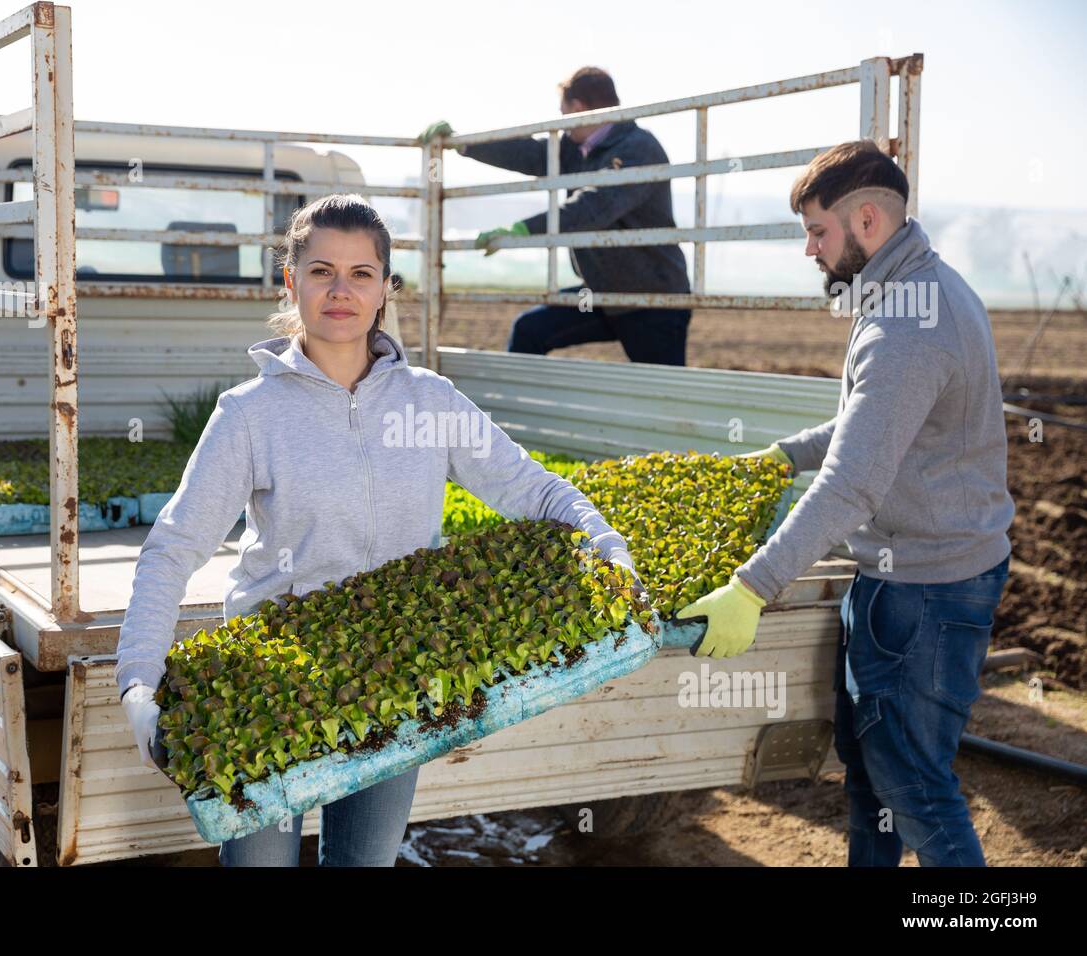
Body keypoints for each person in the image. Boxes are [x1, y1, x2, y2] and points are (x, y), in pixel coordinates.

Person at [116, 193, 636, 867]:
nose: (341, 290)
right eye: (322, 271)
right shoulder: (250, 415)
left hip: (391, 677)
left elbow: (529, 488)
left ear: (386, 288)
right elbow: (174, 548)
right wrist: (137, 681)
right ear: (290, 282)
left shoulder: (431, 401)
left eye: (362, 273)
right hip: (275, 681)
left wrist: (603, 541)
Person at [676, 141, 1014, 867]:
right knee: (871, 778)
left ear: (867, 220)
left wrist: (750, 587)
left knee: (916, 786)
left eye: (816, 231)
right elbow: (876, 423)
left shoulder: (906, 326)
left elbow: (854, 480)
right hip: (902, 578)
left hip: (928, 592)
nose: (808, 250)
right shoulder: (915, 289)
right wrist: (785, 455)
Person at [418, 66, 693, 366]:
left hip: (651, 299)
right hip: (600, 294)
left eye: (564, 115)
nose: (563, 126)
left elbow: (593, 207)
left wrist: (525, 228)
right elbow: (529, 153)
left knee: (663, 393)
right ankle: (519, 409)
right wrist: (464, 143)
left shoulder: (639, 149)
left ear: (578, 108)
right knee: (530, 330)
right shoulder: (576, 148)